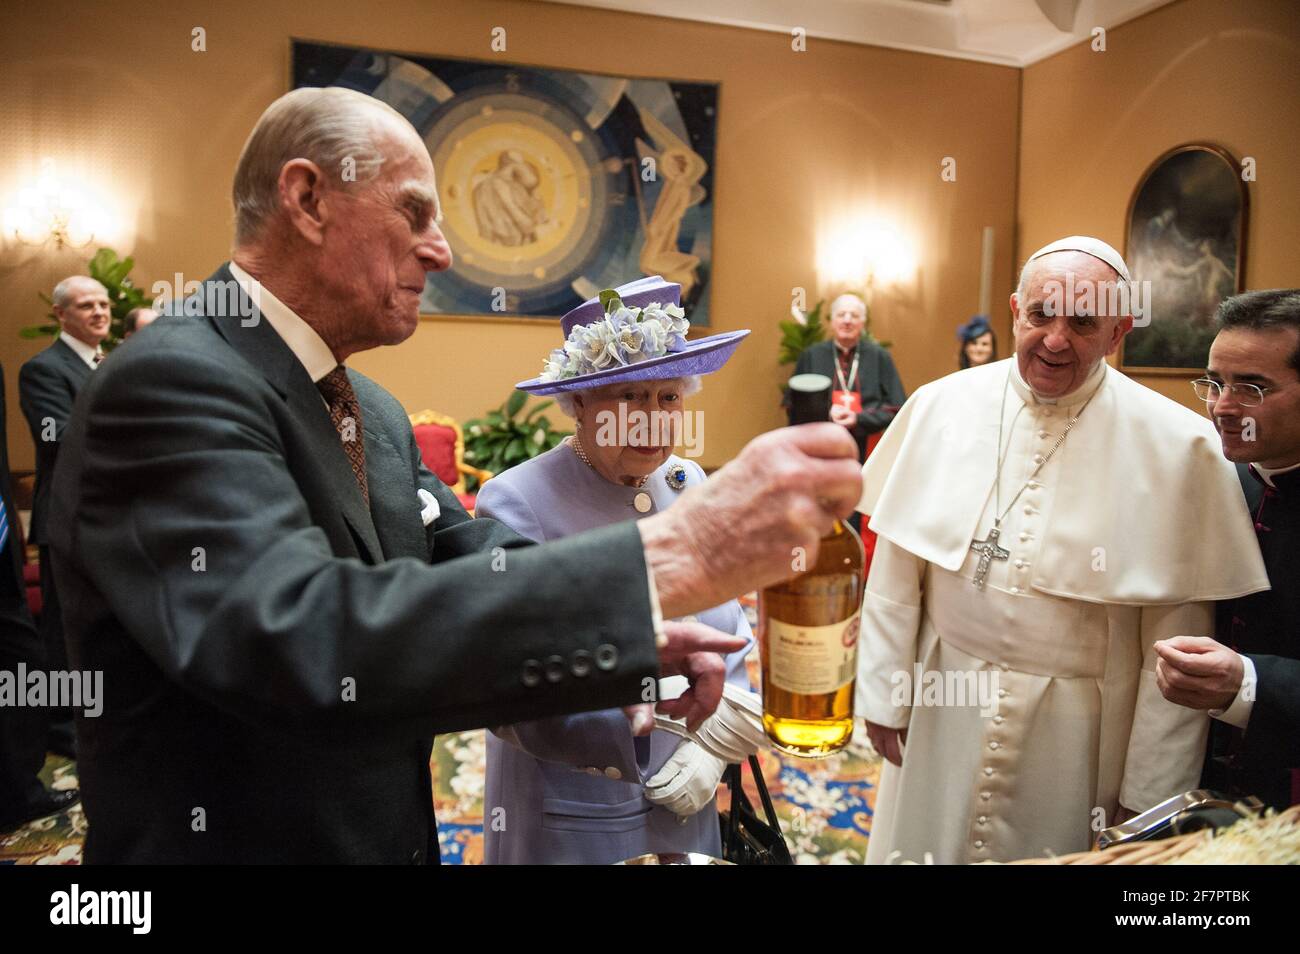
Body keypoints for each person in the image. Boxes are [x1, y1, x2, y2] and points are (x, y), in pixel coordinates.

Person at [46, 87, 862, 864]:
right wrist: (677, 555)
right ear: (307, 199)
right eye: (415, 213)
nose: (441, 249)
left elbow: (472, 556)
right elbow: (298, 636)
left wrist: (630, 639)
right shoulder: (176, 379)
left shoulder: (373, 407)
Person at [854, 236, 1268, 864]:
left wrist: (1153, 792)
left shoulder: (1177, 446)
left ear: (1118, 331)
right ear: (1016, 309)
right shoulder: (942, 405)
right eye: (1041, 315)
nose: (1054, 338)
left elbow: (1178, 643)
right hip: (945, 696)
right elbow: (897, 569)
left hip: (1080, 727)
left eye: (1082, 322)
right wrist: (885, 695)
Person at [477, 276, 756, 863]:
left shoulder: (690, 483)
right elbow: (509, 682)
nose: (653, 422)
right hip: (577, 806)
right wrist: (639, 745)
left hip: (688, 794)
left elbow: (728, 627)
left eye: (668, 398)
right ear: (577, 402)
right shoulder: (518, 500)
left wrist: (712, 748)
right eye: (629, 397)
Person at [1157, 289, 1300, 810]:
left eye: (1253, 388)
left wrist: (1250, 682)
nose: (1221, 407)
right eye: (1214, 384)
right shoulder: (1216, 480)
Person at [18, 275, 109, 759]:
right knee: (63, 626)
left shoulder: (107, 364)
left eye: (103, 303)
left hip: (109, 518)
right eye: (85, 305)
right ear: (61, 314)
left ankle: (99, 713)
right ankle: (60, 725)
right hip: (66, 515)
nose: (98, 311)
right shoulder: (44, 368)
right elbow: (58, 434)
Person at [0, 359, 79, 832]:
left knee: (23, 660)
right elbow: (58, 437)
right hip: (58, 524)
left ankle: (18, 791)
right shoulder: (44, 369)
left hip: (4, 550)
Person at [789, 293, 905, 464]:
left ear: (862, 323)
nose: (847, 320)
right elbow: (793, 405)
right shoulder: (811, 355)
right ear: (832, 320)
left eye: (854, 315)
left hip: (867, 448)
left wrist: (859, 418)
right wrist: (826, 413)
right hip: (820, 448)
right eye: (841, 315)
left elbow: (897, 407)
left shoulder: (879, 356)